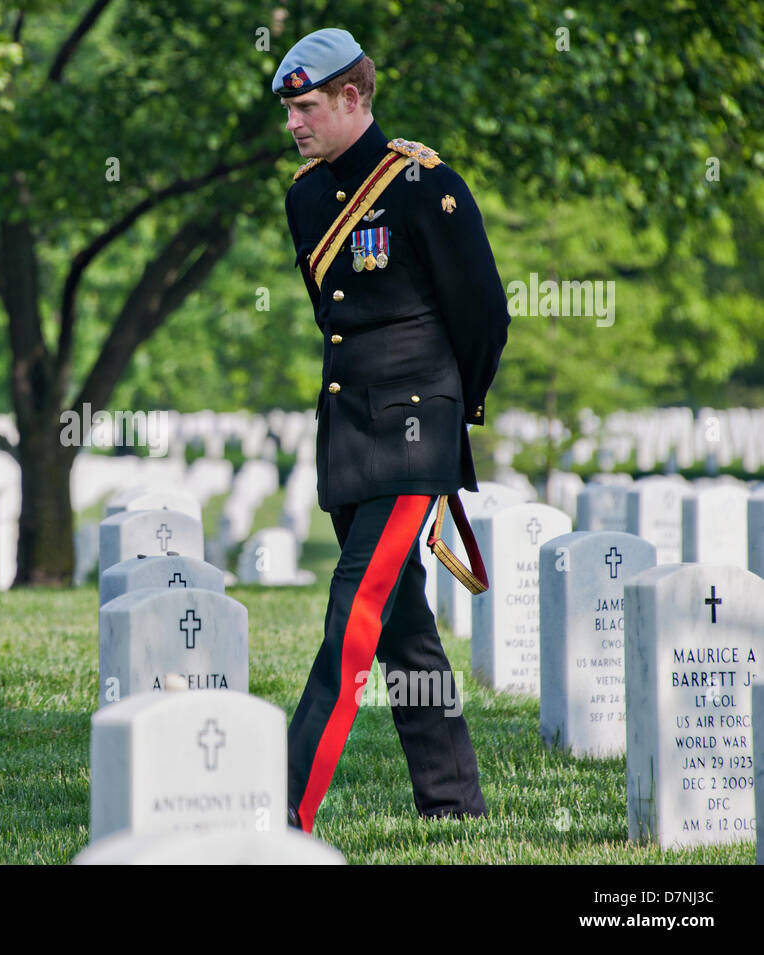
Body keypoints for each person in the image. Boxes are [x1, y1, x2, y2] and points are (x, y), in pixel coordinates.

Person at [273, 27, 510, 834]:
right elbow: (333, 323)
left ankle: (282, 810)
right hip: (348, 432)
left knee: (353, 615)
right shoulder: (304, 197)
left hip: (414, 432)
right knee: (405, 631)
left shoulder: (422, 186)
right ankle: (453, 801)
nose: (295, 124)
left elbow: (482, 315)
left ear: (353, 97)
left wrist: (449, 417)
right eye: (290, 110)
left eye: (307, 106)